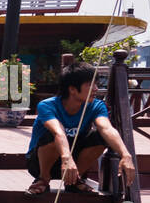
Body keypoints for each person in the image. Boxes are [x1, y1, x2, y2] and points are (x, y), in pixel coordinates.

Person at [26, 61, 136, 195]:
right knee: (52, 136)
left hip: (73, 161)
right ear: (72, 89)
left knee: (100, 136)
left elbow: (106, 128)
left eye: (96, 84)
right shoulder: (47, 106)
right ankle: (43, 180)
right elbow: (58, 133)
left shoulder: (97, 105)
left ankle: (74, 181)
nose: (96, 89)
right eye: (90, 85)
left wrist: (125, 154)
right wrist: (67, 159)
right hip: (40, 162)